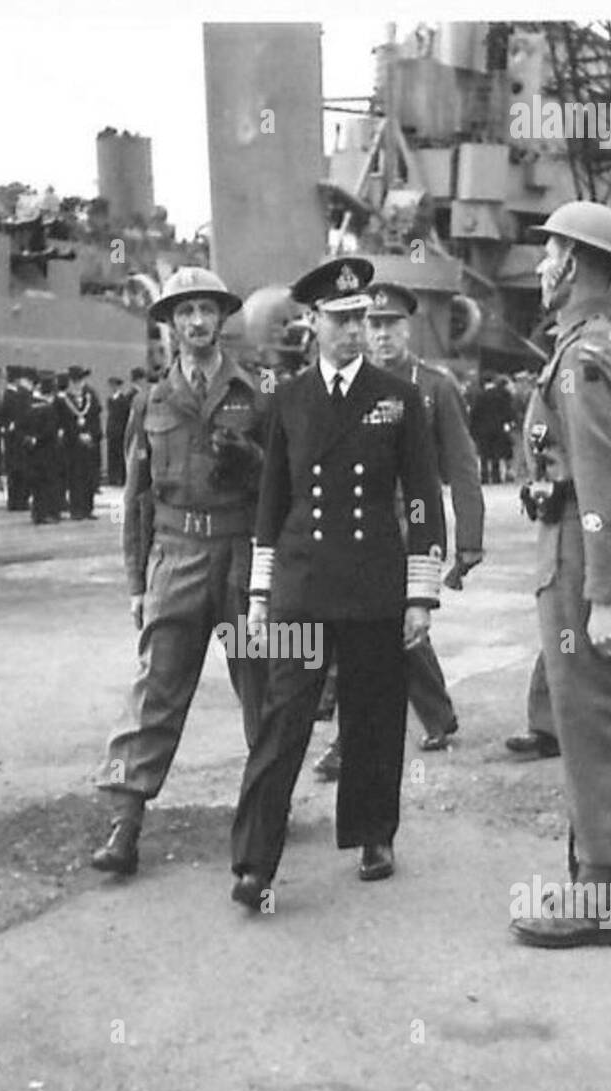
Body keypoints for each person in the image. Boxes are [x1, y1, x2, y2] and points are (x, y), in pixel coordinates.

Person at [229, 256, 444, 907]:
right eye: (341, 319)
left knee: (374, 718)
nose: (354, 330)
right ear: (313, 322)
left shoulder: (398, 399)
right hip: (302, 584)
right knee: (282, 720)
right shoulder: (287, 401)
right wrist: (261, 594)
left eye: (362, 319)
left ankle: (374, 833)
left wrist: (421, 591)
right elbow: (272, 502)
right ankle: (255, 862)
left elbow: (422, 498)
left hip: (374, 585)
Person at [506, 202, 611, 949]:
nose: (541, 266)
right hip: (580, 544)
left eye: (551, 253)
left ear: (573, 266)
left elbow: (603, 481)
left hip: (580, 551)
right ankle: (596, 870)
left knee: (593, 718)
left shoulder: (586, 359)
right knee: (605, 713)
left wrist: (601, 593)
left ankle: (599, 898)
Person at [91, 267, 267, 875]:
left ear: (222, 319)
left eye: (207, 310)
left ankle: (267, 809)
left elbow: (283, 487)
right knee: (155, 688)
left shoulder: (255, 393)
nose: (196, 322)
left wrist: (255, 463)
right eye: (185, 311)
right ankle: (124, 822)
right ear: (169, 322)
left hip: (241, 556)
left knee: (262, 685)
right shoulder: (151, 401)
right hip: (176, 557)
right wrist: (137, 584)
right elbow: (137, 500)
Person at [311, 281, 484, 780]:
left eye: (390, 325)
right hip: (350, 528)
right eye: (372, 324)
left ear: (407, 329)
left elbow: (463, 465)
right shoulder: (340, 383)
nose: (380, 335)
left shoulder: (434, 387)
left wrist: (468, 540)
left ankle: (348, 741)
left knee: (372, 632)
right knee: (385, 632)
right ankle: (436, 713)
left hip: (407, 529)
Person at [60, 365, 102, 519]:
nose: (80, 383)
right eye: (77, 380)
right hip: (73, 444)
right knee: (75, 477)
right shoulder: (65, 398)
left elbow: (95, 417)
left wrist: (91, 435)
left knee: (89, 477)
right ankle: (76, 509)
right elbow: (64, 422)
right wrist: (77, 435)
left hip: (89, 443)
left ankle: (87, 509)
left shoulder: (90, 396)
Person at [28, 372, 65, 525]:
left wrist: (33, 439)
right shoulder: (49, 409)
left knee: (38, 484)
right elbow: (51, 430)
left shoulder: (30, 405)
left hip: (34, 450)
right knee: (50, 482)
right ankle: (50, 513)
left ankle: (38, 513)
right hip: (49, 450)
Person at [0, 367, 35, 511]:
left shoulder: (10, 394)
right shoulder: (19, 395)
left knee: (15, 470)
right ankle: (19, 500)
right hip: (17, 437)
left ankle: (15, 500)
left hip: (13, 438)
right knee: (19, 470)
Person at [105, 376, 132, 486]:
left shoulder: (123, 400)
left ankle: (122, 478)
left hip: (120, 430)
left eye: (114, 385)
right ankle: (112, 477)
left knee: (121, 455)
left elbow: (125, 416)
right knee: (111, 454)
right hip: (112, 431)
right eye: (111, 385)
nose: (112, 388)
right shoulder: (110, 399)